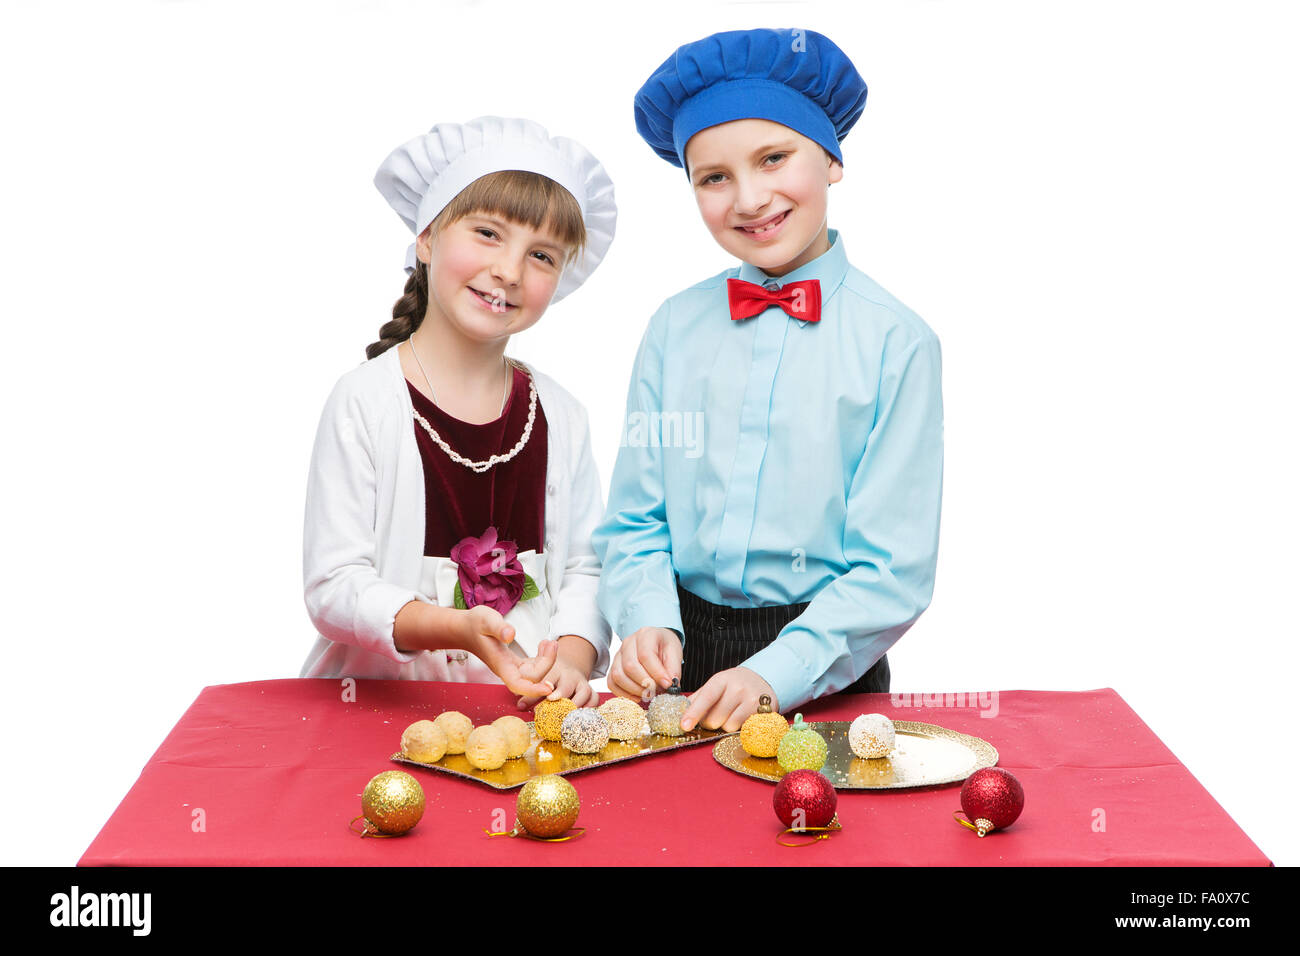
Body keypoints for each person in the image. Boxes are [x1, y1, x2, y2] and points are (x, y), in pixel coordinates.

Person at [594, 29, 944, 731]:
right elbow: (635, 518)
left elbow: (892, 570)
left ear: (832, 159)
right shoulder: (672, 329)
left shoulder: (897, 343)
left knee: (815, 834)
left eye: (773, 158)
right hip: (680, 661)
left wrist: (775, 672)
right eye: (714, 177)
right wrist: (644, 621)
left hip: (828, 670)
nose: (749, 198)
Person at [301, 116, 616, 708]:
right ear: (425, 238)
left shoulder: (562, 415)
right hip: (377, 709)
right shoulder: (365, 401)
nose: (510, 271)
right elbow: (334, 586)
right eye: (489, 234)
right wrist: (456, 628)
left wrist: (571, 658)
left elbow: (586, 570)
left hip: (521, 708)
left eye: (542, 255)